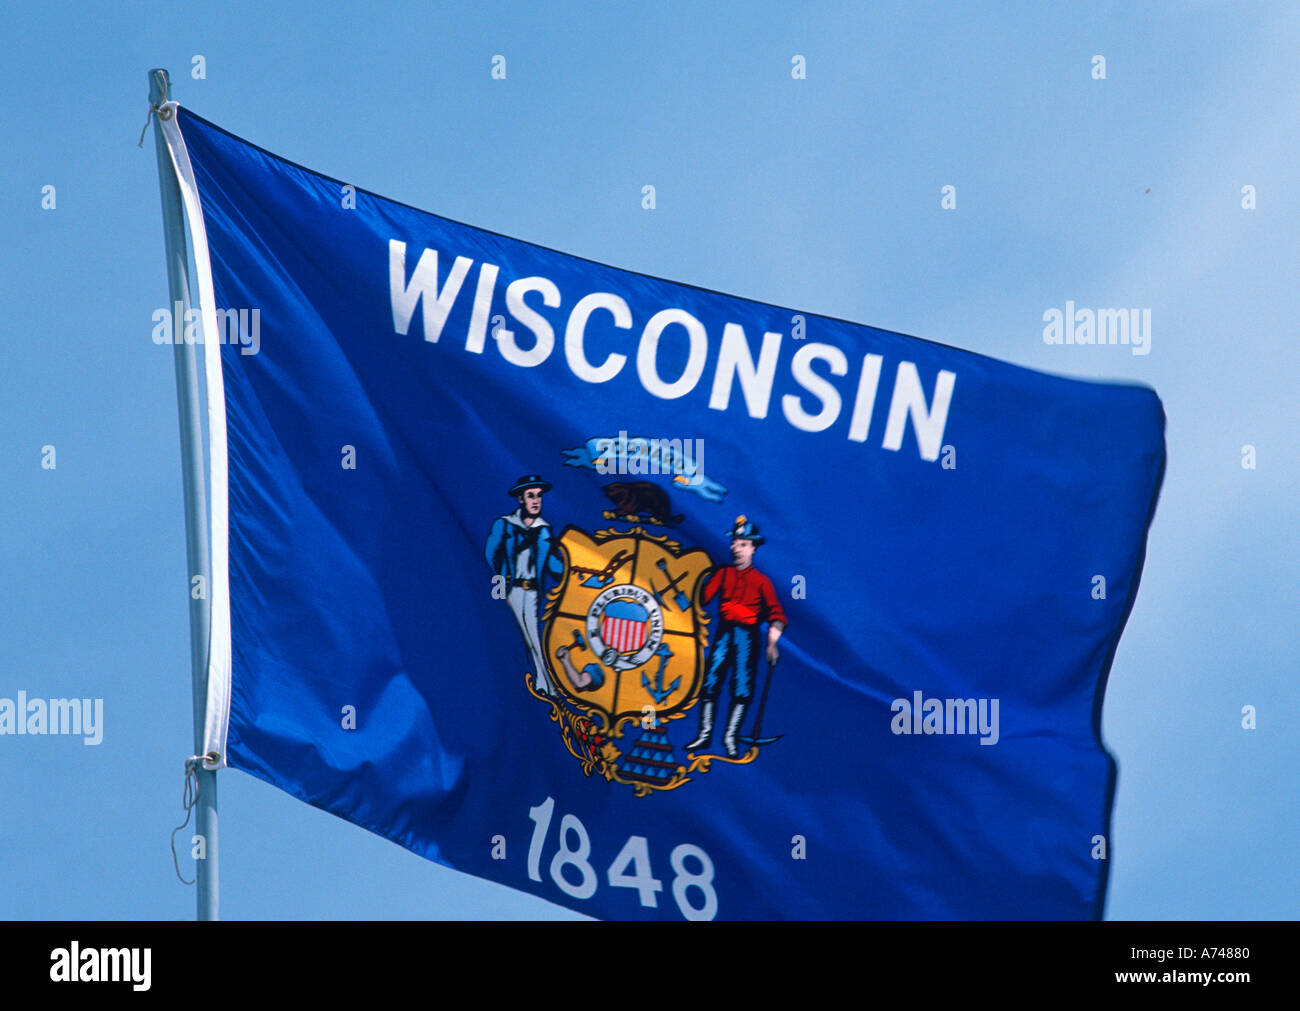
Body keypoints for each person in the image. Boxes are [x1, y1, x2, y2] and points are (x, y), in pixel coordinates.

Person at [687, 516, 787, 756]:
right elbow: (702, 599)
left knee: (742, 687)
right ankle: (704, 735)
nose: (736, 548)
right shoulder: (723, 574)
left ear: (753, 548)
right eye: (734, 543)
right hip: (724, 632)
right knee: (711, 682)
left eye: (742, 544)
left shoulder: (762, 582)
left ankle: (730, 738)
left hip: (747, 637)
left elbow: (777, 615)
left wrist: (772, 643)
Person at [485, 475, 565, 697]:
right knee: (514, 637)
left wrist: (574, 569)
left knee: (533, 637)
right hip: (510, 590)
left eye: (539, 496)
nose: (536, 500)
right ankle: (540, 684)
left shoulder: (544, 530)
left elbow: (552, 564)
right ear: (521, 499)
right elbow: (490, 554)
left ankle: (543, 684)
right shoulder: (505, 524)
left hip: (532, 592)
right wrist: (499, 585)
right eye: (531, 496)